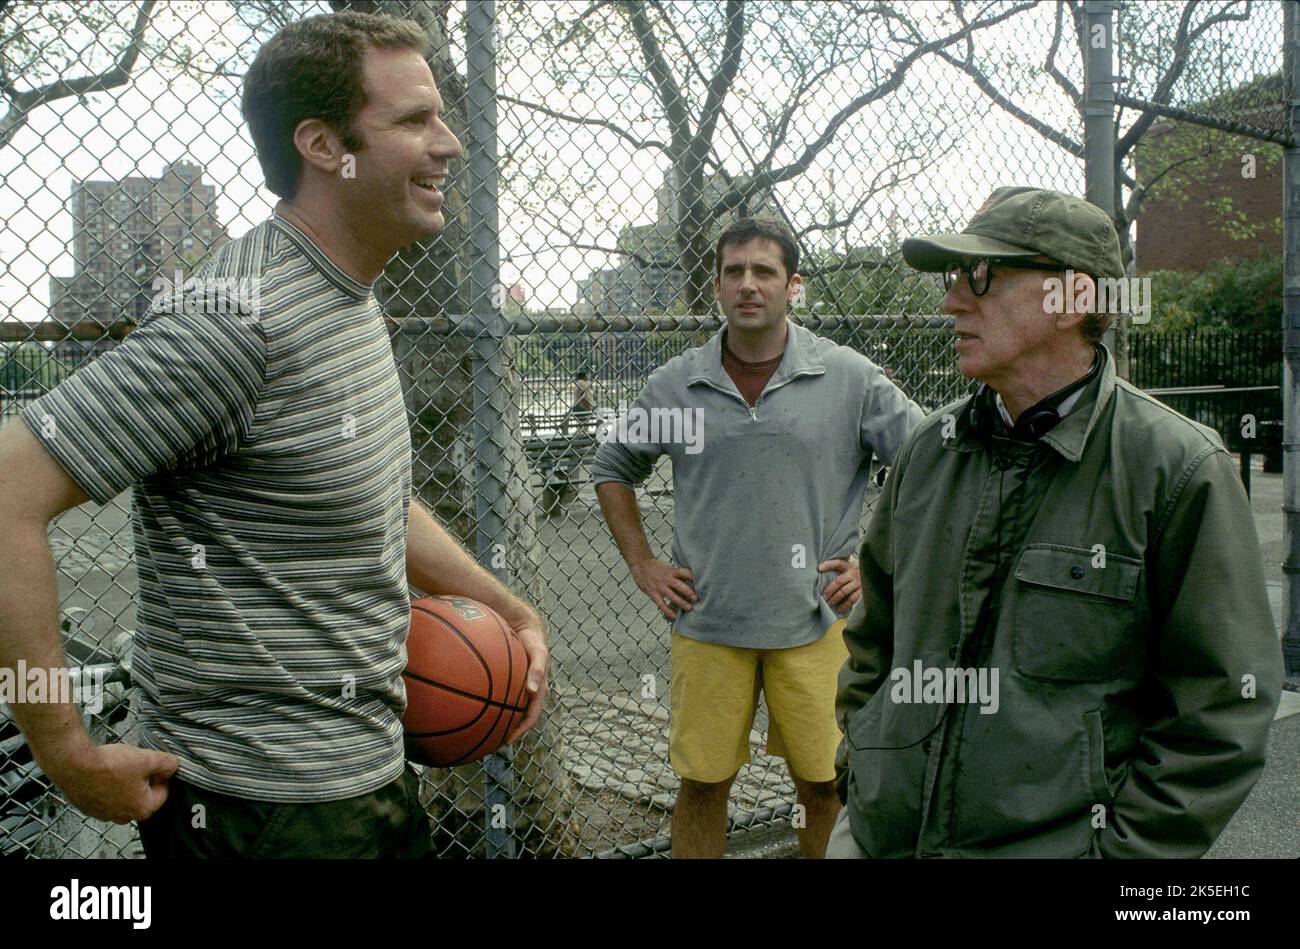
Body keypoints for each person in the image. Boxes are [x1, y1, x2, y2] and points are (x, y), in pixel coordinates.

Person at [0, 11, 549, 858]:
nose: (449, 144)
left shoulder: (351, 293)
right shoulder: (233, 317)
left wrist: (506, 606)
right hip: (257, 809)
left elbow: (365, 495)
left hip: (369, 774)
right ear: (325, 145)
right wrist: (66, 751)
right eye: (412, 120)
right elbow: (7, 491)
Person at [829, 186, 1283, 858]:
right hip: (882, 837)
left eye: (980, 277)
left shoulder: (1176, 468)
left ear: (1073, 299)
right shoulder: (930, 449)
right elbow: (875, 640)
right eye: (954, 278)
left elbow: (1222, 706)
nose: (952, 300)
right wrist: (863, 773)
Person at [592, 218, 923, 858]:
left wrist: (880, 563)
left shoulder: (847, 378)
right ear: (715, 285)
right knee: (702, 784)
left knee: (823, 787)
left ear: (792, 286)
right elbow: (613, 469)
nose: (749, 285)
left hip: (818, 622)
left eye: (764, 271)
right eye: (735, 271)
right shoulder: (677, 386)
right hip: (708, 621)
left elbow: (927, 467)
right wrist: (644, 565)